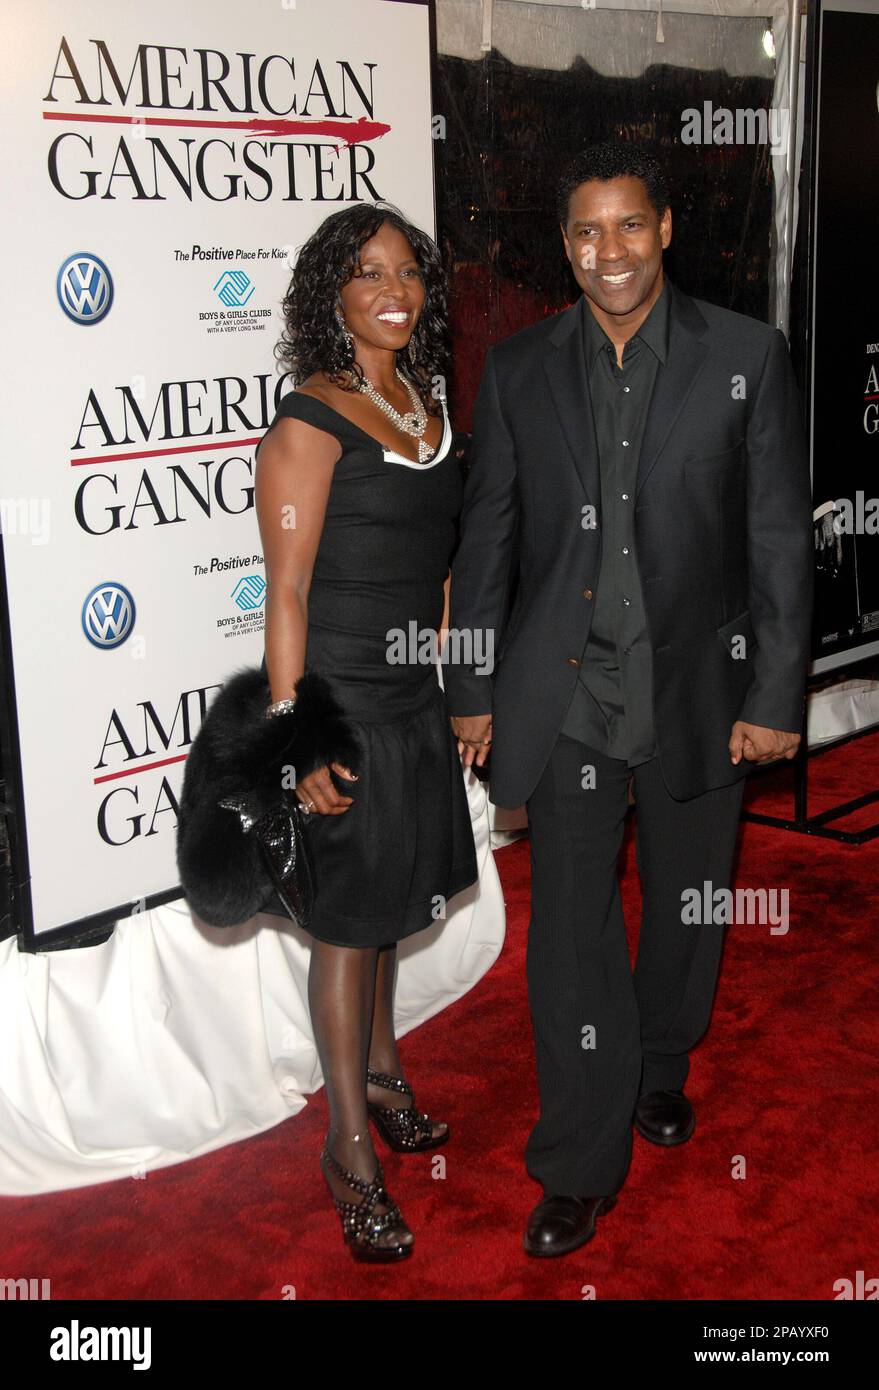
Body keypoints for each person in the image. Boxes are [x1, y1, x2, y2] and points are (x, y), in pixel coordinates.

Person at [445, 142, 813, 1257]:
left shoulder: (747, 355)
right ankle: (577, 1157)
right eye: (588, 232)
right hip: (566, 699)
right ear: (567, 246)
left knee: (691, 904)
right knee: (568, 933)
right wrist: (471, 683)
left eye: (631, 227)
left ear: (665, 231)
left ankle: (661, 1058)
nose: (611, 251)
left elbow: (777, 539)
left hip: (702, 688)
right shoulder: (518, 369)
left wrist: (778, 692)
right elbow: (489, 537)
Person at [254, 202, 478, 1262]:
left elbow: (439, 568)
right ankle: (349, 1148)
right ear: (330, 295)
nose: (395, 291)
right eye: (369, 274)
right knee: (347, 923)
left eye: (409, 272)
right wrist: (299, 743)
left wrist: (445, 686)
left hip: (413, 703)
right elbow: (286, 593)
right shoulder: (311, 418)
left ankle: (384, 1072)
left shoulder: (425, 405)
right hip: (341, 704)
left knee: (390, 904)